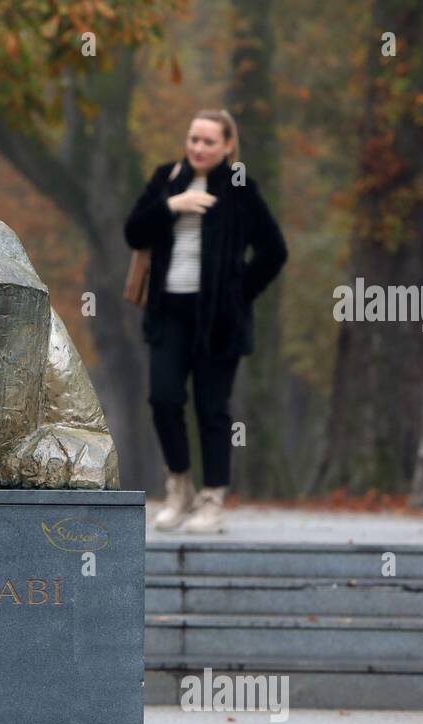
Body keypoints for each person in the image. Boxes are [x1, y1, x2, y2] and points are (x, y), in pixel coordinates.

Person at [123, 109, 287, 533]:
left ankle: (214, 498)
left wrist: (238, 293)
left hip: (218, 320)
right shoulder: (167, 177)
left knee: (213, 408)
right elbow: (133, 232)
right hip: (168, 312)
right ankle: (180, 487)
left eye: (208, 141)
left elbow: (274, 250)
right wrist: (171, 206)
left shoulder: (239, 186)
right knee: (163, 398)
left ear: (228, 146)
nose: (198, 148)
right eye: (193, 139)